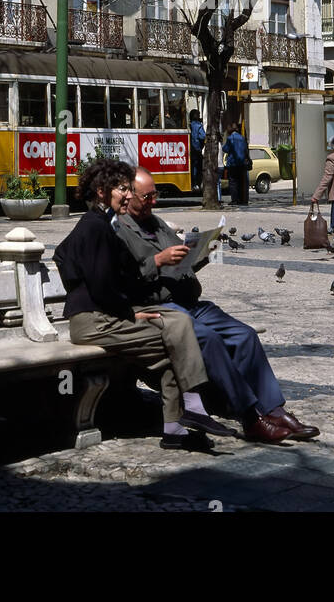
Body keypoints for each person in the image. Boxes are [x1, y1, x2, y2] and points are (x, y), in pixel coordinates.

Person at [116, 166, 320, 445]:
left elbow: (182, 260)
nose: (154, 201)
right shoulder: (118, 231)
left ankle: (275, 409)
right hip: (159, 308)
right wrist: (158, 261)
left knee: (244, 335)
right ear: (128, 195)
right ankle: (251, 417)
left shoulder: (156, 222)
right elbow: (122, 280)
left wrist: (201, 254)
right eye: (147, 196)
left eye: (156, 195)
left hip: (189, 302)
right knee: (209, 340)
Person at [52, 157, 234, 451]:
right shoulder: (95, 227)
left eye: (128, 189)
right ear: (101, 191)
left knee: (177, 324)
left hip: (105, 314)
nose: (127, 195)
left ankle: (176, 426)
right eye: (122, 189)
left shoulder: (102, 224)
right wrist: (130, 314)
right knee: (172, 337)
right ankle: (192, 406)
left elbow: (67, 256)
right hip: (94, 320)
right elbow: (101, 286)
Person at [223, 123, 250, 206]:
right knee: (241, 182)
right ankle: (242, 200)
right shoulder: (242, 138)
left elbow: (225, 149)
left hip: (233, 163)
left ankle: (234, 200)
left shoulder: (230, 138)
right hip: (242, 163)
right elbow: (246, 150)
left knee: (233, 182)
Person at [189, 109, 205, 195]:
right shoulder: (198, 125)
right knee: (198, 166)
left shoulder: (190, 125)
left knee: (192, 166)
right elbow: (202, 136)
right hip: (197, 148)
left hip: (190, 148)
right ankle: (197, 183)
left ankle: (193, 183)